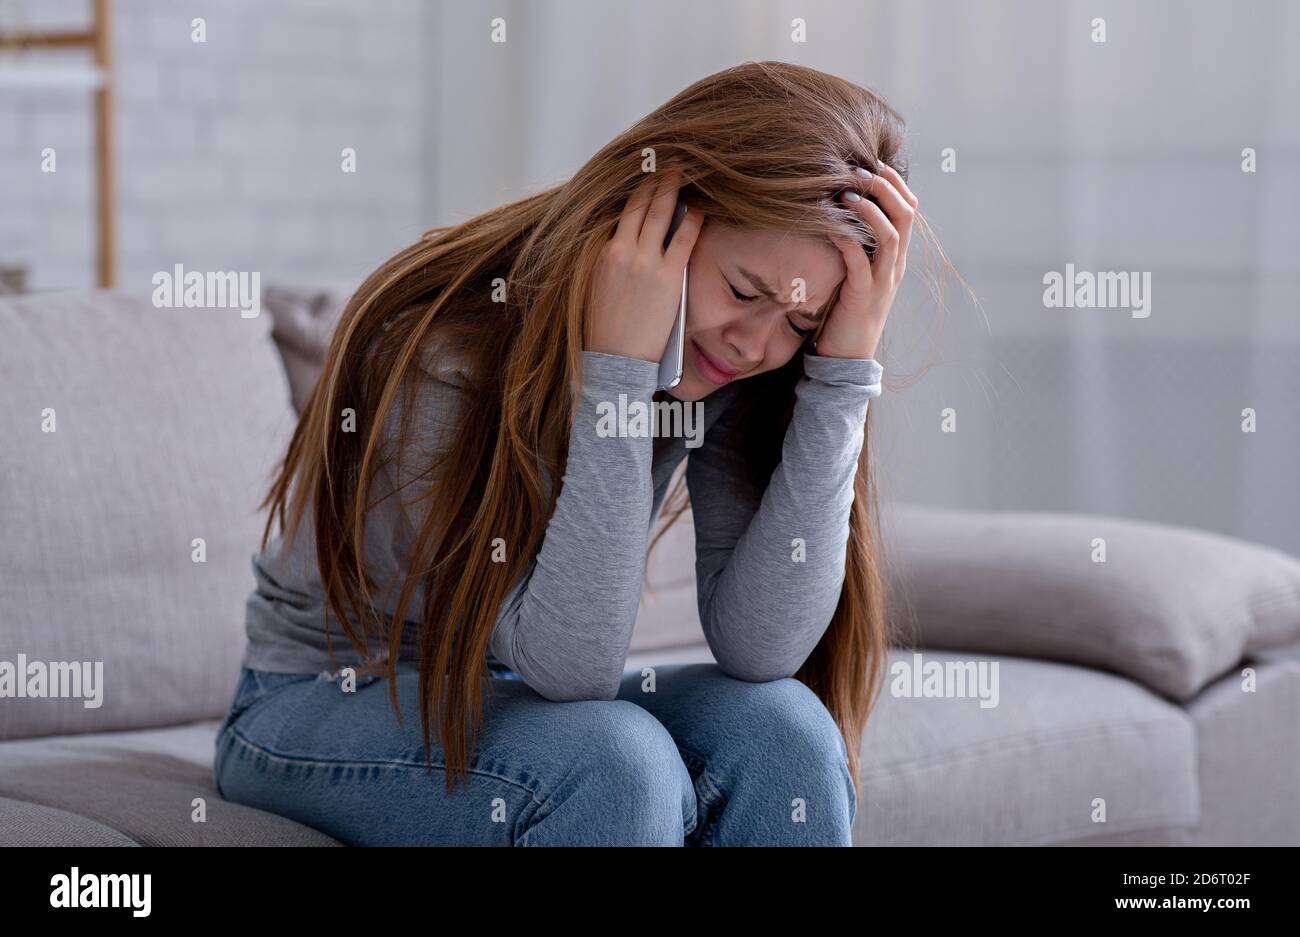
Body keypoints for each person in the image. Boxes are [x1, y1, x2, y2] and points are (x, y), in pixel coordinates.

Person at [213, 60, 945, 846]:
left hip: (502, 695)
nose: (759, 342)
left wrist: (838, 377)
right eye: (742, 291)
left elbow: (760, 646)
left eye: (800, 325)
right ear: (661, 219)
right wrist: (619, 378)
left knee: (785, 731)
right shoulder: (447, 344)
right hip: (315, 699)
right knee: (616, 766)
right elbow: (572, 669)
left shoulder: (728, 362)